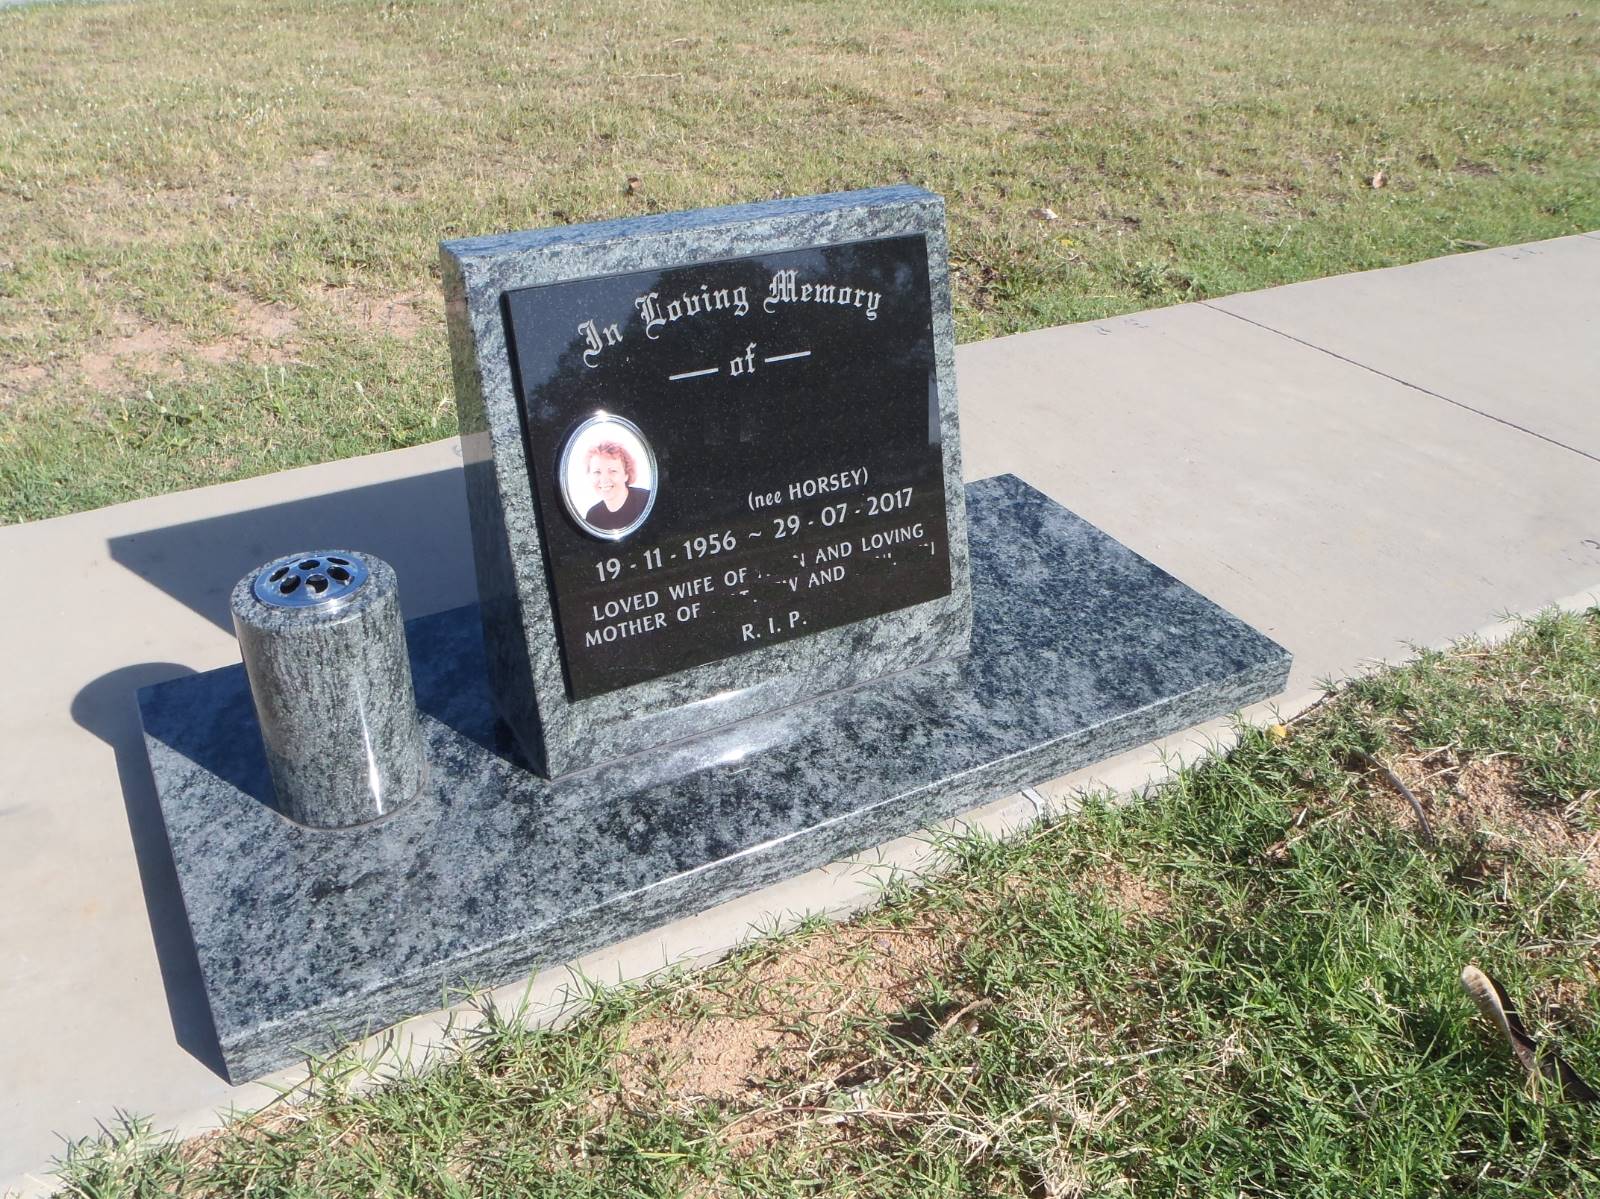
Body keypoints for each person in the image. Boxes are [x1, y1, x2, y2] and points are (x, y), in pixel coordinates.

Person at [582, 439, 651, 531]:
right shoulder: (593, 517)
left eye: (612, 471)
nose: (604, 479)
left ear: (626, 474)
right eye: (597, 472)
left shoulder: (647, 501)